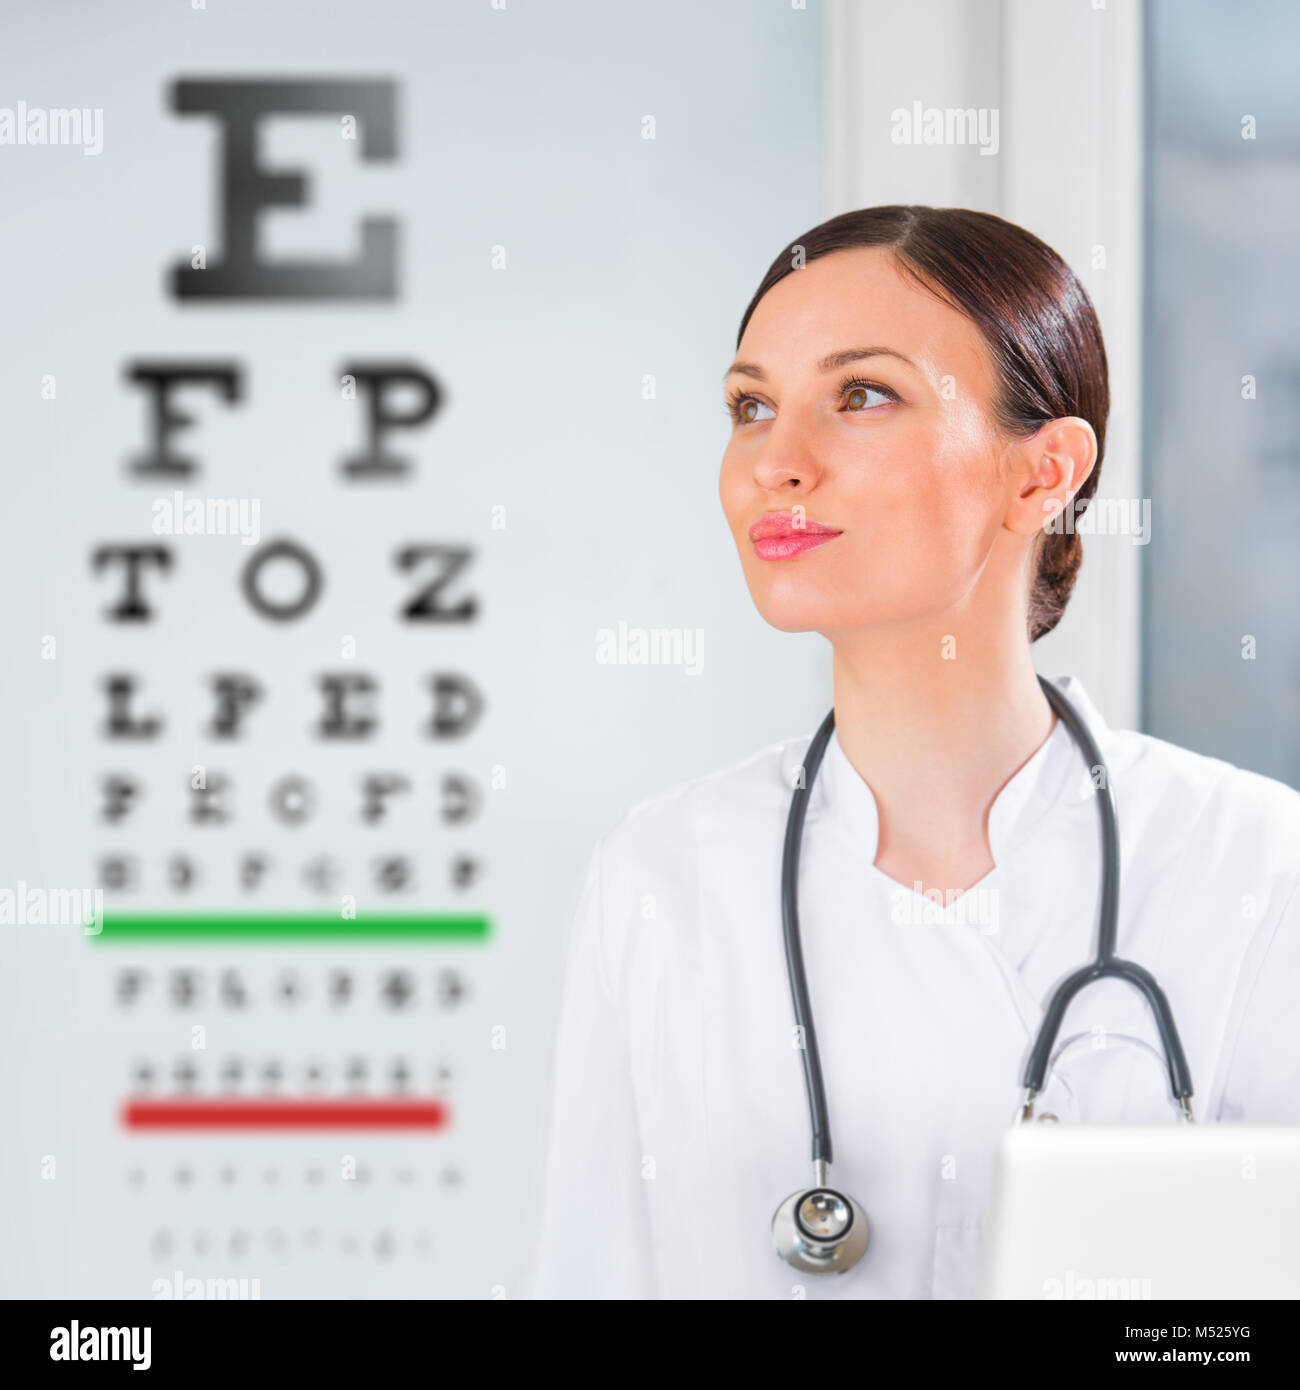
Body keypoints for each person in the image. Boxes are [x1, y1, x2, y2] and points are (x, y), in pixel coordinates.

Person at [529, 206, 1300, 1300]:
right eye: (750, 407)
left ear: (1041, 475)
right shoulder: (661, 879)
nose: (775, 463)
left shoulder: (1253, 867)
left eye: (861, 395)